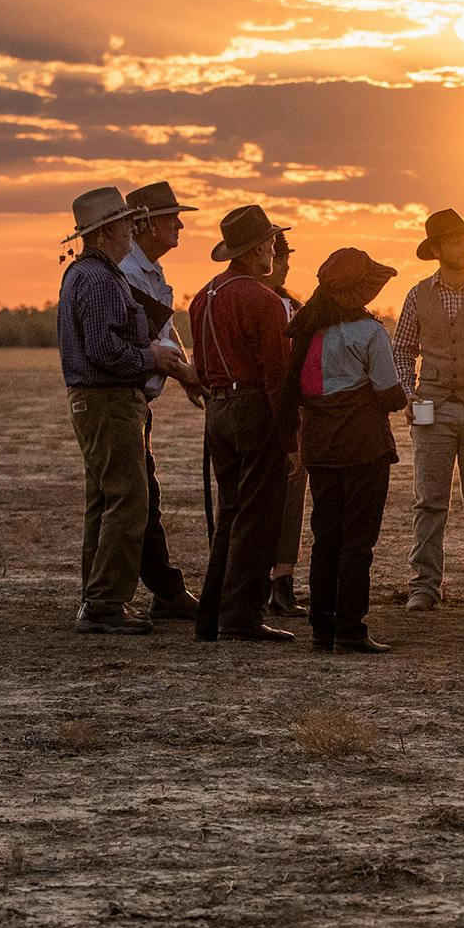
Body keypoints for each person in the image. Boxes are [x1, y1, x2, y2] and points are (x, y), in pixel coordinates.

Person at [60, 187, 188, 633]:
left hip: (99, 400)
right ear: (108, 231)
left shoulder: (93, 274)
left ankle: (97, 598)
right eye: (126, 223)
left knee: (105, 499)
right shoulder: (97, 280)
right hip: (108, 399)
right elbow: (103, 350)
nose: (133, 229)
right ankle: (104, 605)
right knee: (129, 500)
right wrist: (150, 359)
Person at [282, 248, 405, 654]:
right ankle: (351, 627)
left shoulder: (308, 331)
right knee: (358, 541)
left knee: (326, 536)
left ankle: (322, 628)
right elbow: (391, 395)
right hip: (364, 446)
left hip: (321, 447)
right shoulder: (370, 334)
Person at [188, 204, 297, 645]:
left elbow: (198, 364)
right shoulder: (265, 301)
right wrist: (291, 440)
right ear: (255, 252)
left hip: (218, 409)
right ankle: (242, 616)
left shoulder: (202, 298)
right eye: (270, 242)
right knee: (258, 516)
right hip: (254, 408)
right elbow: (277, 377)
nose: (274, 248)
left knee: (231, 510)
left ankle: (211, 615)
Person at [392, 208, 464, 613]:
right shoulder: (418, 294)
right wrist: (408, 395)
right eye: (456, 241)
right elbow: (402, 349)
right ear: (437, 250)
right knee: (429, 503)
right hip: (431, 408)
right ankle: (424, 586)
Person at [119, 180, 205, 623]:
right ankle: (154, 591)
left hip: (140, 398)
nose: (181, 225)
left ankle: (162, 588)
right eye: (172, 218)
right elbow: (150, 339)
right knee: (134, 496)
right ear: (146, 224)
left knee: (142, 493)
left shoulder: (148, 270)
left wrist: (185, 372)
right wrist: (186, 373)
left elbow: (164, 330)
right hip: (123, 395)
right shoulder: (129, 273)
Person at [264, 231, 309, 618]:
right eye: (280, 259)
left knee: (288, 496)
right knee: (282, 494)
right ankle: (277, 581)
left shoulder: (292, 304)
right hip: (276, 408)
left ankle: (279, 579)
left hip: (280, 407)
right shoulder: (278, 305)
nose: (285, 266)